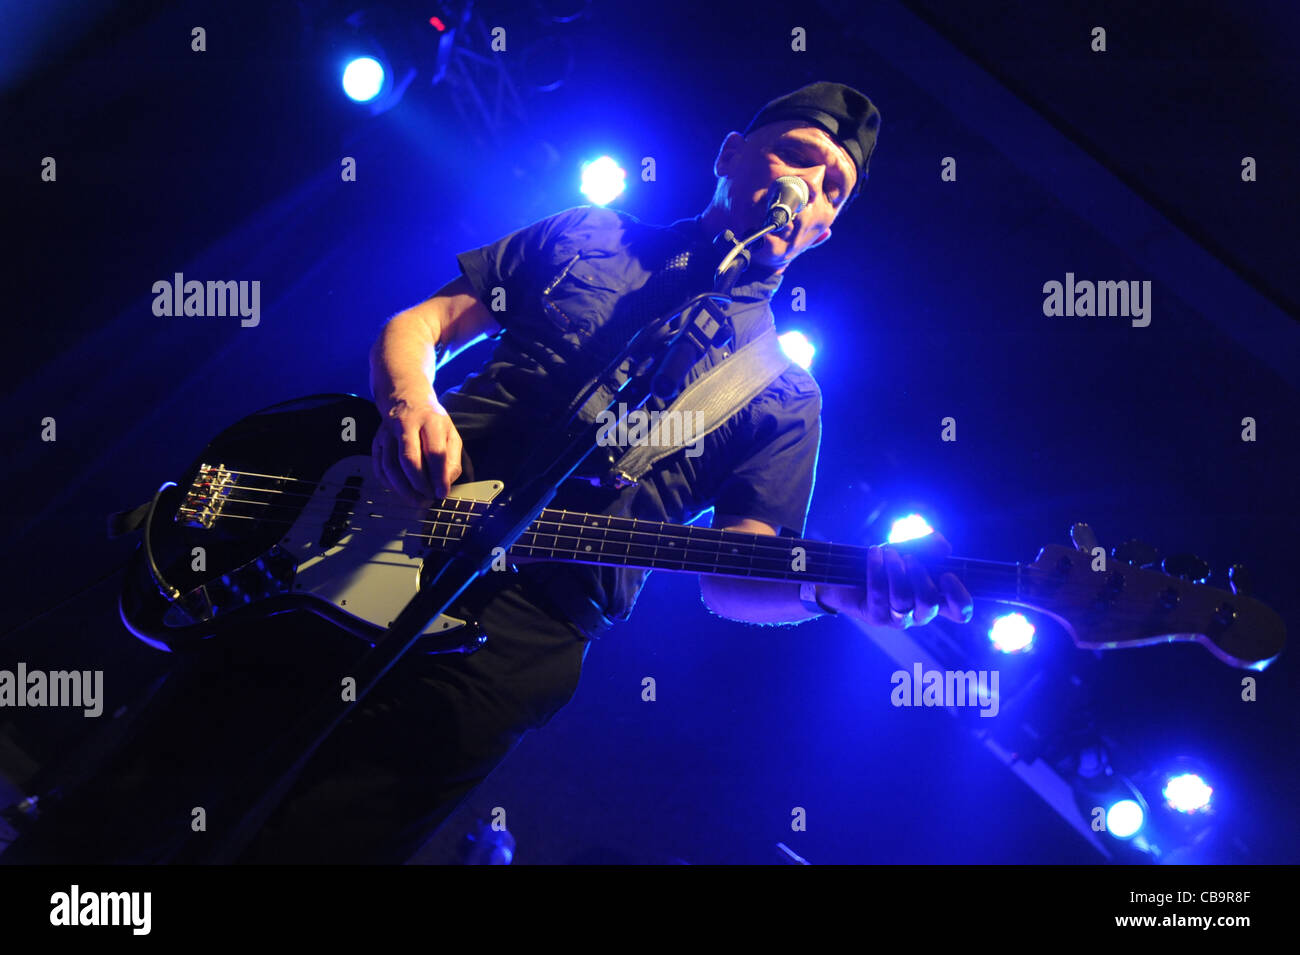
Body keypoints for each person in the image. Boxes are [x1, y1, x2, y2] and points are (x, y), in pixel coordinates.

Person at [3, 81, 973, 866]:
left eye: (834, 185)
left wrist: (837, 598)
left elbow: (735, 577)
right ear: (730, 153)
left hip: (510, 648)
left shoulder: (784, 390)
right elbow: (421, 324)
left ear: (825, 234)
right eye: (797, 154)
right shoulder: (588, 235)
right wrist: (408, 401)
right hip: (358, 535)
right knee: (128, 802)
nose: (810, 185)